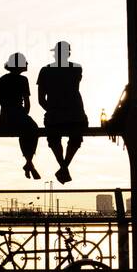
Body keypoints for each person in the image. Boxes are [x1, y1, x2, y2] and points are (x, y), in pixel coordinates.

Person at [37, 40, 88, 184]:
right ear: (69, 53)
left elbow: (41, 99)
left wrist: (53, 110)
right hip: (76, 115)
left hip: (55, 116)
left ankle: (63, 167)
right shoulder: (77, 69)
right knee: (76, 138)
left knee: (53, 139)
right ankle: (64, 167)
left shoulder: (45, 71)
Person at [0, 52, 41, 179]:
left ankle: (29, 164)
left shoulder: (2, 80)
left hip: (4, 119)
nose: (27, 63)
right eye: (25, 61)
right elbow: (27, 105)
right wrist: (22, 116)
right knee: (33, 129)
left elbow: (3, 102)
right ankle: (29, 163)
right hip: (18, 115)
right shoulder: (22, 80)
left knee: (25, 131)